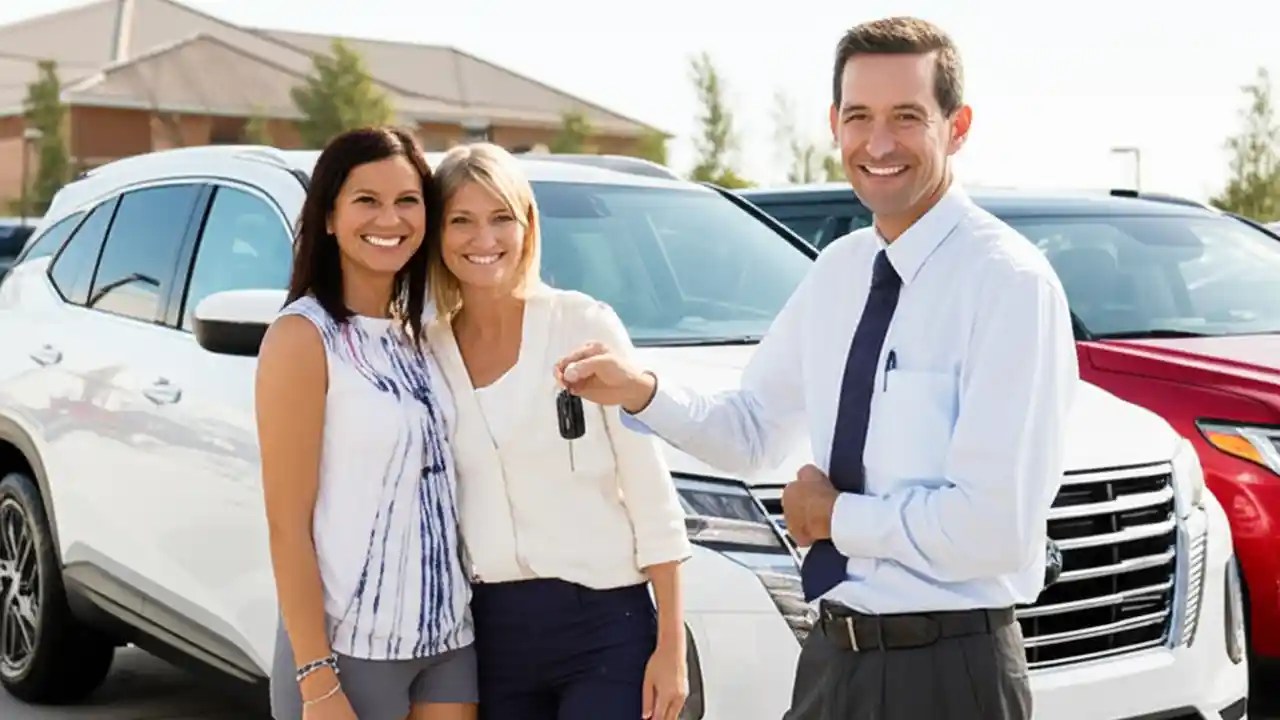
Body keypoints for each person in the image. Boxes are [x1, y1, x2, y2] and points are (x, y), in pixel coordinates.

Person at [555, 16, 1077, 720]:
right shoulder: (840, 270)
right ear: (834, 123)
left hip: (951, 673)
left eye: (907, 117)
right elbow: (751, 433)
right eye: (859, 116)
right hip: (834, 659)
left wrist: (836, 519)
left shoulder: (1008, 283)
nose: (879, 143)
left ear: (959, 127)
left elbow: (996, 528)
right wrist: (643, 391)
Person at [421, 142, 692, 720]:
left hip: (606, 626)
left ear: (527, 226)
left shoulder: (581, 324)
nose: (483, 239)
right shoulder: (427, 350)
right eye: (461, 221)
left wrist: (671, 645)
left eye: (500, 218)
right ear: (437, 234)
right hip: (491, 631)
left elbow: (650, 490)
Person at [255, 127, 476, 720]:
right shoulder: (303, 337)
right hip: (349, 649)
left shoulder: (423, 334)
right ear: (329, 217)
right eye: (366, 200)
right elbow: (286, 525)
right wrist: (317, 680)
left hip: (449, 638)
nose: (391, 218)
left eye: (408, 201)